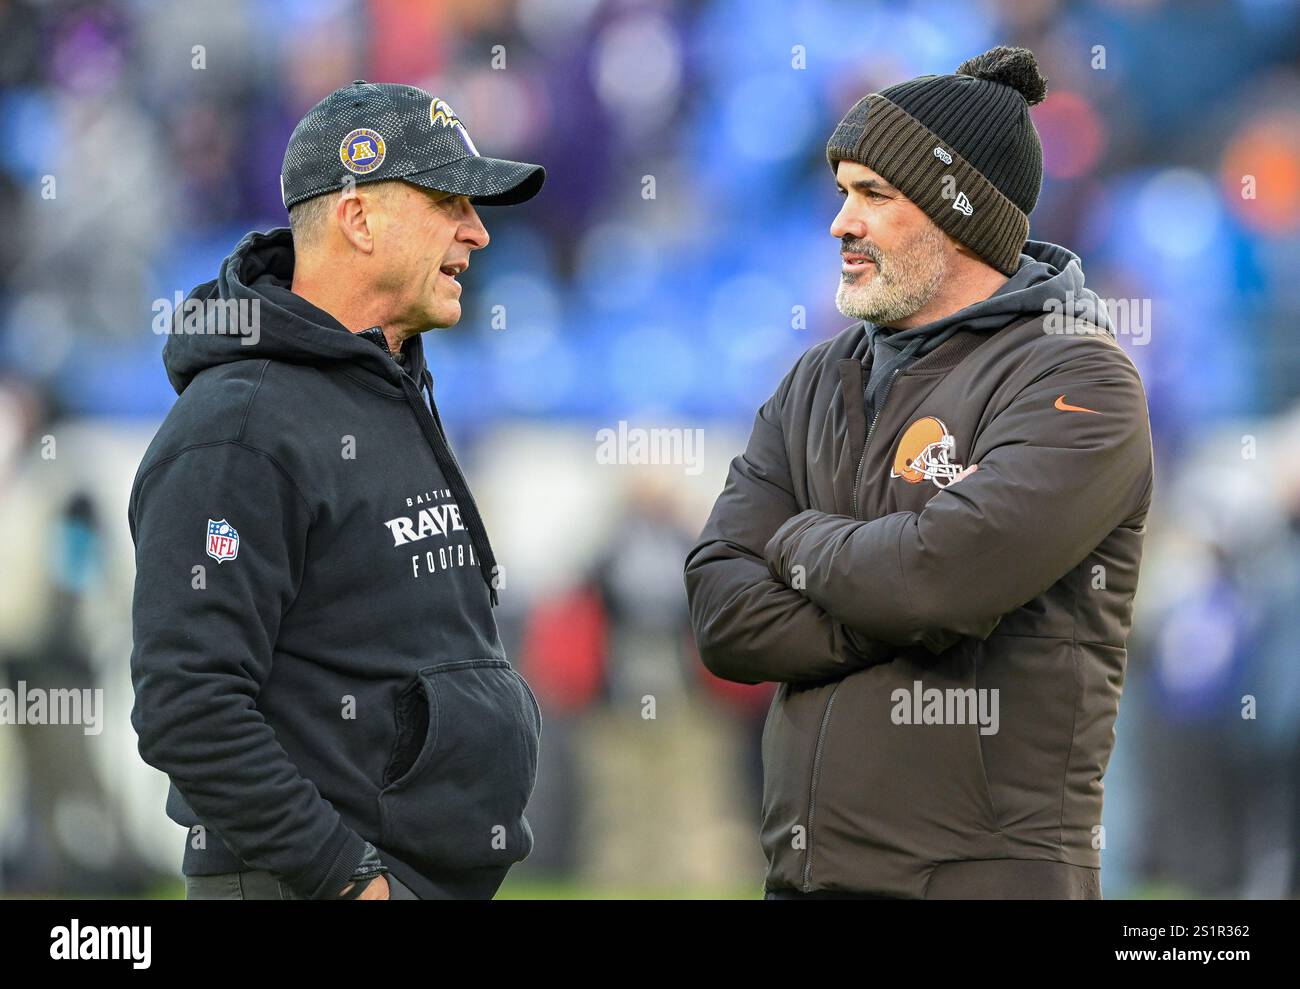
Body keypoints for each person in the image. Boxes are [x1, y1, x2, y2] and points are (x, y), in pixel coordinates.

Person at [684, 47, 1154, 899]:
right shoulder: (816, 377)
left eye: (874, 195)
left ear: (958, 216)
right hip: (804, 878)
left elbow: (937, 581)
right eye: (841, 194)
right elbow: (722, 612)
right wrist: (886, 598)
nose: (841, 223)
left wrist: (796, 541)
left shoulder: (1078, 375)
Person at [129, 81, 545, 900]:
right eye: (449, 200)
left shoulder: (385, 387)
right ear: (358, 218)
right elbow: (188, 703)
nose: (478, 230)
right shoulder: (238, 428)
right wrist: (347, 877)